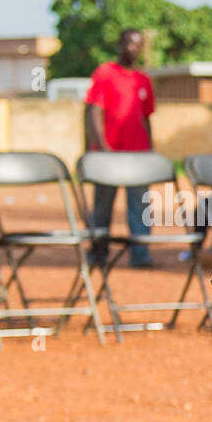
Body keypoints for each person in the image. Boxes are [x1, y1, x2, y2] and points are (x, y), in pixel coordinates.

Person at [85, 28, 156, 269]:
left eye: (138, 44)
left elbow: (146, 119)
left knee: (140, 207)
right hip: (109, 155)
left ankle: (140, 254)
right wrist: (102, 147)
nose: (132, 48)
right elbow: (94, 110)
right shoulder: (105, 73)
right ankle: (98, 252)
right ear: (120, 44)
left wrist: (151, 152)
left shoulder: (143, 79)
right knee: (102, 208)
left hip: (138, 157)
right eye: (128, 43)